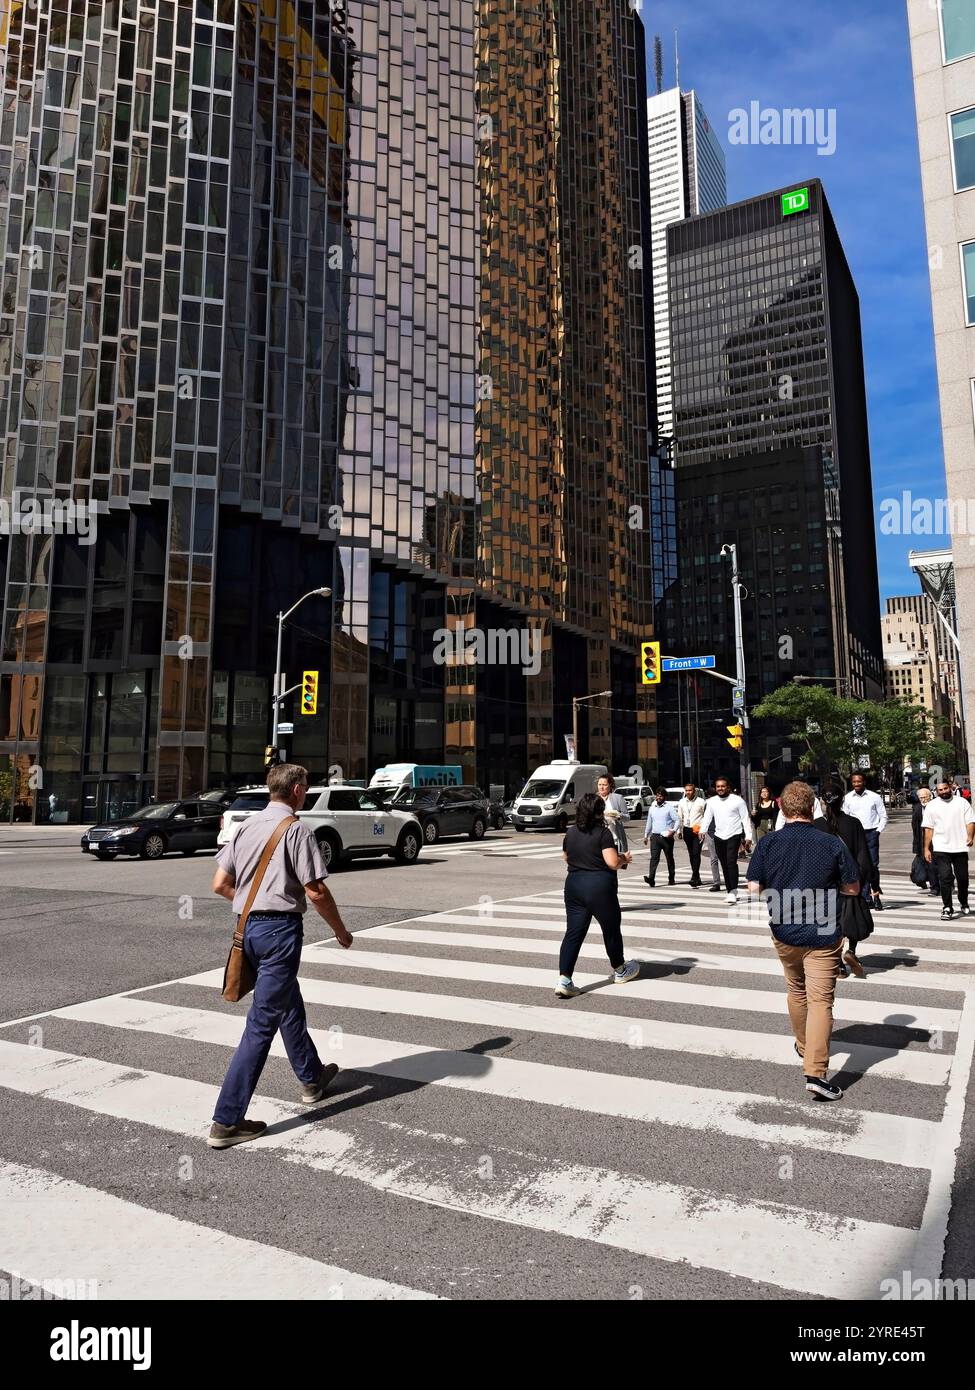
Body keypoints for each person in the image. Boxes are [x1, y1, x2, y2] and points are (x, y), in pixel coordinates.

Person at [208, 762, 354, 1149]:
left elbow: (220, 883)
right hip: (279, 933)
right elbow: (316, 891)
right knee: (261, 1025)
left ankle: (311, 1076)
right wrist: (340, 931)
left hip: (246, 930)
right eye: (305, 787)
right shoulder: (296, 830)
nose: (305, 792)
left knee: (286, 1001)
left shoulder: (243, 828)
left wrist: (249, 903)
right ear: (296, 791)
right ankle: (227, 1120)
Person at [746, 781, 861, 1101]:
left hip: (783, 931)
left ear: (782, 809)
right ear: (812, 809)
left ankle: (802, 1044)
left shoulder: (768, 843)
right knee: (821, 1002)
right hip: (822, 934)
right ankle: (816, 1072)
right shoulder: (831, 843)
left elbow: (754, 888)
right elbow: (852, 888)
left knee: (796, 990)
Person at [557, 793, 640, 998]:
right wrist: (624, 858)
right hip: (599, 888)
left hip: (574, 886)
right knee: (610, 929)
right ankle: (620, 970)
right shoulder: (602, 833)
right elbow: (612, 862)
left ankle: (564, 980)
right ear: (597, 812)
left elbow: (566, 857)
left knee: (573, 933)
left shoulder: (571, 832)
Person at [821, 783, 874, 979]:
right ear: (842, 800)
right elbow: (863, 855)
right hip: (850, 880)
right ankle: (851, 950)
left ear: (823, 802)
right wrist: (871, 882)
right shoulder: (853, 823)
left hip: (825, 883)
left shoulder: (816, 825)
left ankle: (838, 964)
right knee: (850, 917)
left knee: (831, 922)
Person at [922, 780, 975, 920]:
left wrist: (970, 836)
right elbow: (928, 828)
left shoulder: (962, 802)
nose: (944, 791)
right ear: (936, 791)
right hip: (941, 847)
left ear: (950, 788)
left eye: (946, 788)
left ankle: (963, 901)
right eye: (941, 790)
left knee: (962, 879)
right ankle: (947, 907)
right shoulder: (931, 806)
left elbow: (970, 821)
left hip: (960, 847)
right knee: (945, 878)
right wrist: (926, 849)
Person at [698, 776, 754, 904]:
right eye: (718, 786)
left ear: (728, 787)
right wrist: (702, 830)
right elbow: (707, 817)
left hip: (734, 835)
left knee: (731, 862)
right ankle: (730, 891)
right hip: (719, 836)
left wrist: (748, 837)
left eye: (723, 786)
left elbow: (745, 819)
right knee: (724, 864)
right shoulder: (711, 802)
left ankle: (733, 892)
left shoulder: (738, 800)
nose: (720, 789)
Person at [842, 772, 887, 910]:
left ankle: (876, 896)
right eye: (854, 782)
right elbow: (845, 818)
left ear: (864, 782)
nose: (856, 784)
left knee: (872, 866)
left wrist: (878, 831)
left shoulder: (874, 797)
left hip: (871, 833)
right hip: (855, 836)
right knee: (859, 866)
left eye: (859, 781)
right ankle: (865, 897)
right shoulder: (847, 798)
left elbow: (883, 816)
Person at [642, 787, 679, 887]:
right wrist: (646, 835)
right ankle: (651, 879)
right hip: (655, 837)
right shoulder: (652, 808)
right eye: (657, 795)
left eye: (661, 796)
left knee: (669, 858)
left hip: (667, 838)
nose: (658, 797)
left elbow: (677, 820)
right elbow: (649, 822)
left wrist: (673, 831)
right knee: (654, 858)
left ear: (665, 797)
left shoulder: (669, 808)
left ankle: (671, 878)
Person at [675, 781, 707, 887]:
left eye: (690, 790)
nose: (688, 792)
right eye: (686, 790)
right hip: (687, 830)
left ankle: (694, 876)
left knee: (696, 853)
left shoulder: (701, 802)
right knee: (691, 854)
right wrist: (679, 831)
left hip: (698, 830)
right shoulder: (681, 802)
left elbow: (706, 817)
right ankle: (697, 877)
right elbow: (679, 817)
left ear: (694, 791)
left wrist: (703, 829)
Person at [912, 788, 940, 897]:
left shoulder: (937, 806)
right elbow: (915, 828)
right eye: (921, 798)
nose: (923, 799)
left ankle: (948, 881)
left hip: (938, 839)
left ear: (930, 796)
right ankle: (934, 888)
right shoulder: (917, 809)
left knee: (942, 863)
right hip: (925, 842)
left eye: (925, 797)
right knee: (930, 865)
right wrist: (917, 846)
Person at [597, 774, 630, 856]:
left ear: (610, 785)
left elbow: (627, 818)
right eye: (599, 785)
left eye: (604, 785)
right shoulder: (594, 798)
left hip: (613, 839)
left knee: (613, 865)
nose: (601, 787)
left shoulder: (618, 798)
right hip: (597, 840)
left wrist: (618, 816)